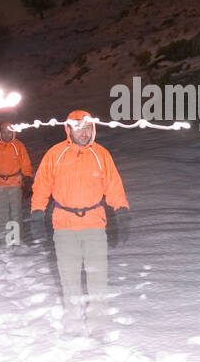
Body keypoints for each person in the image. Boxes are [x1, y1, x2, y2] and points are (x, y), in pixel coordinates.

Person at [30, 110, 129, 335]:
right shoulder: (55, 154)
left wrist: (122, 212)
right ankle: (73, 319)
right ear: (68, 129)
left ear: (92, 129)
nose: (83, 133)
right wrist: (37, 212)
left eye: (87, 128)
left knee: (97, 275)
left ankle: (98, 322)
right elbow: (41, 185)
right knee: (69, 275)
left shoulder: (101, 154)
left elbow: (114, 186)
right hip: (64, 224)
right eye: (78, 128)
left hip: (94, 223)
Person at [0, 121, 33, 244]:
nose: (7, 135)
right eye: (4, 132)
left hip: (15, 183)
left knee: (16, 211)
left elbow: (25, 163)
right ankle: (5, 238)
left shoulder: (18, 145)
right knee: (2, 210)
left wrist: (27, 177)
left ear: (13, 132)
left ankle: (17, 238)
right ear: (0, 133)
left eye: (9, 132)